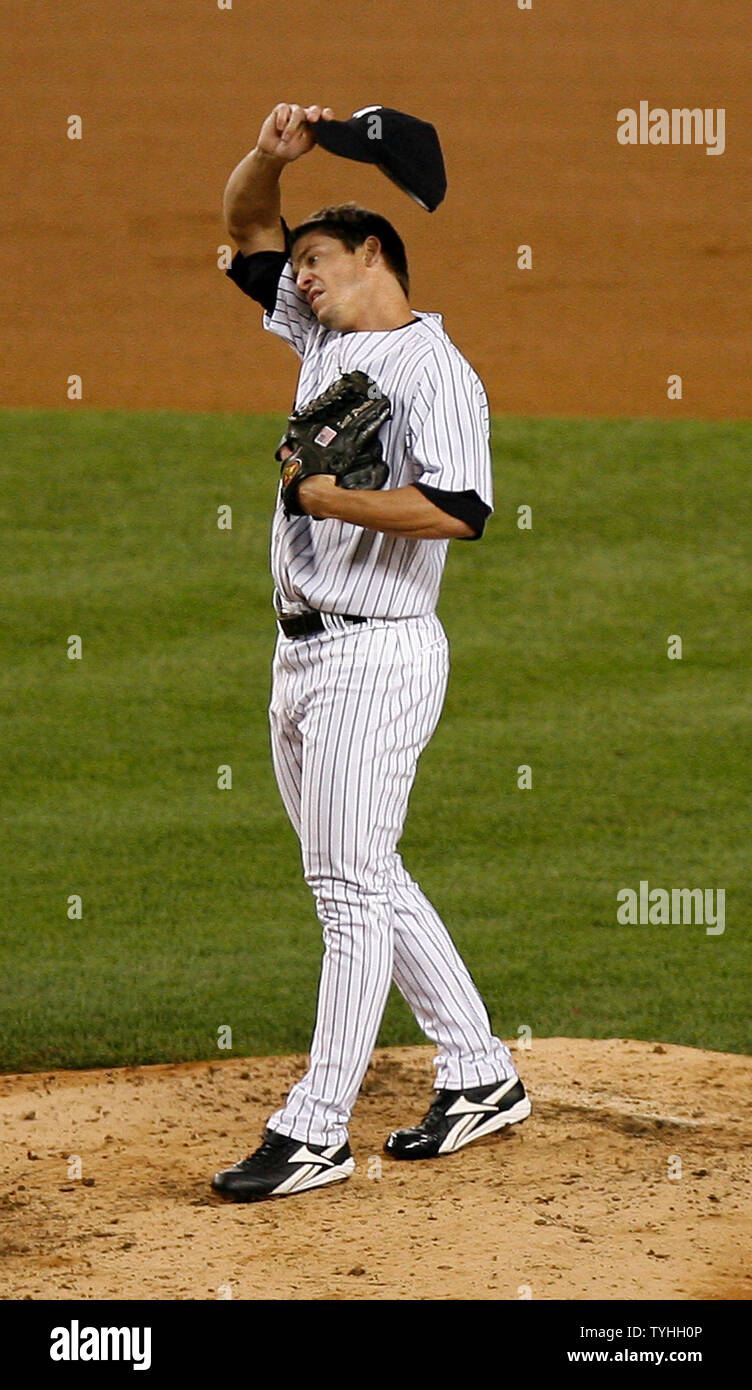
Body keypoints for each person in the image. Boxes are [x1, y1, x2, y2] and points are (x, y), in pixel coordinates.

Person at [211, 103, 530, 1203]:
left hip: (377, 655)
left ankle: (311, 1130)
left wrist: (330, 494)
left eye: (317, 260)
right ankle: (479, 1070)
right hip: (298, 654)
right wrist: (273, 156)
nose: (296, 277)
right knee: (361, 875)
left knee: (346, 890)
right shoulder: (323, 337)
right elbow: (246, 226)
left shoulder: (436, 370)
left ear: (374, 257)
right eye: (296, 265)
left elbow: (459, 509)